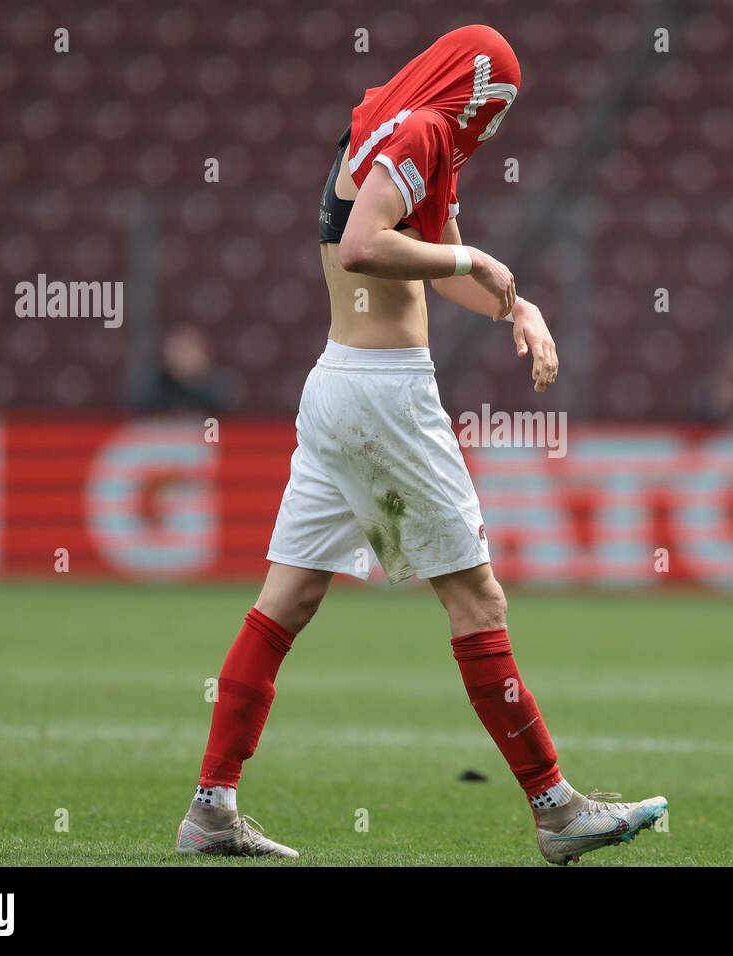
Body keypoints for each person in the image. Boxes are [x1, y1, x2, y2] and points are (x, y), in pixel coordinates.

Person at [174, 24, 666, 864]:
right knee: (479, 603)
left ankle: (212, 807)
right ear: (469, 85)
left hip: (337, 384)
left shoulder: (383, 125)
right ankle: (555, 809)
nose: (495, 121)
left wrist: (516, 307)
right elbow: (371, 245)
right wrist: (474, 253)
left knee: (283, 603)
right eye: (495, 100)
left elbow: (425, 266)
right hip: (385, 397)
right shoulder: (423, 132)